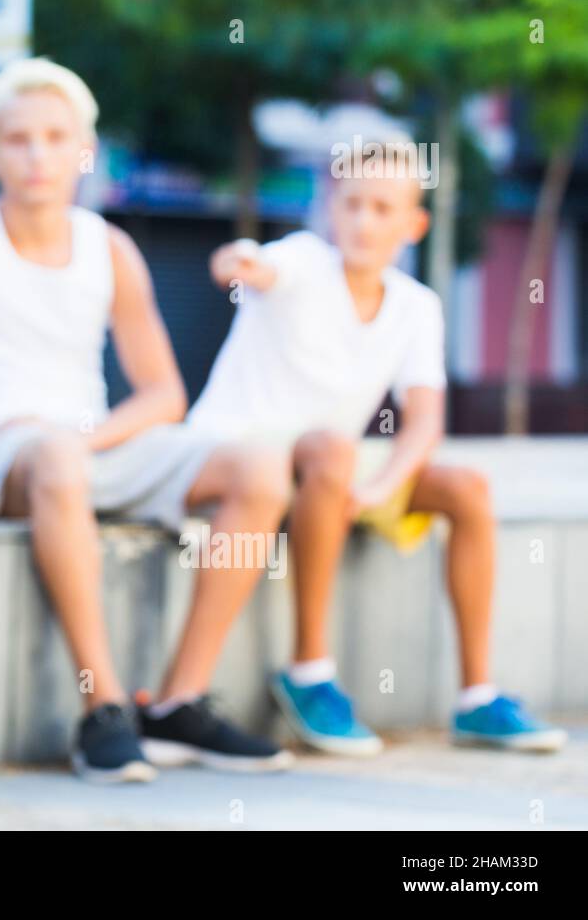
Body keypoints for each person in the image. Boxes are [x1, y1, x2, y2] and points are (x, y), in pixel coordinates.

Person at [0, 57, 296, 782]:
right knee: (55, 457)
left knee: (260, 467)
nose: (37, 154)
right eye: (17, 139)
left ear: (83, 151)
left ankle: (177, 702)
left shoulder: (111, 249)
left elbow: (164, 395)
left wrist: (86, 438)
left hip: (83, 451)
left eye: (54, 136)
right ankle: (102, 708)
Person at [190, 141, 567, 755]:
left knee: (467, 487)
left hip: (329, 469)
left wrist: (379, 489)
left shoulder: (418, 307)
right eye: (353, 204)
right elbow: (252, 265)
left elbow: (424, 423)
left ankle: (477, 697)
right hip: (242, 457)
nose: (365, 221)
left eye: (383, 208)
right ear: (331, 211)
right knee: (335, 451)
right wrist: (236, 262)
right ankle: (309, 671)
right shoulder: (303, 261)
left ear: (412, 224)